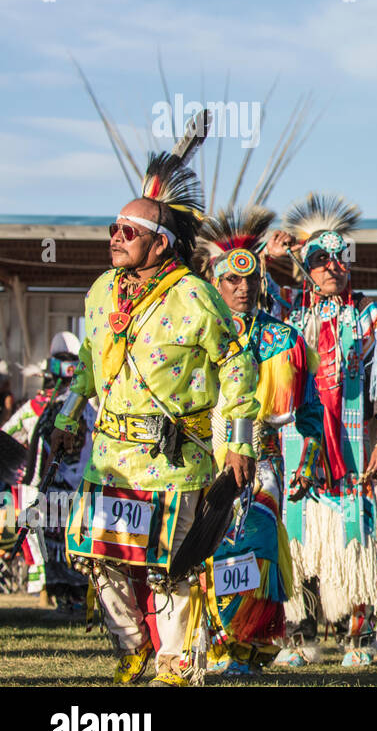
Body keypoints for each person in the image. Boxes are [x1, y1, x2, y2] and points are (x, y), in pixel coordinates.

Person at [49, 144, 260, 686]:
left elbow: (237, 362)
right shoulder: (101, 293)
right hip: (111, 454)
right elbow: (89, 368)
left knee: (171, 567)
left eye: (129, 231)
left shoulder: (193, 296)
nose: (115, 238)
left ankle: (175, 662)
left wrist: (238, 441)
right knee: (101, 558)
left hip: (173, 454)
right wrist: (70, 420)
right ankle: (135, 647)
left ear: (160, 243)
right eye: (114, 229)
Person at [264, 195, 377, 667]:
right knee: (300, 543)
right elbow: (241, 292)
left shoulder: (370, 318)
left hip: (351, 450)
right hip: (298, 448)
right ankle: (298, 639)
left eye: (338, 260)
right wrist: (266, 257)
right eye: (319, 261)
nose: (331, 268)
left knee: (355, 540)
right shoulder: (288, 312)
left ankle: (359, 640)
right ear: (305, 267)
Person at [194, 206, 324, 676]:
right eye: (232, 281)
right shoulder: (201, 334)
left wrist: (311, 455)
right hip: (206, 457)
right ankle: (210, 642)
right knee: (208, 547)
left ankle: (248, 644)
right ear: (216, 281)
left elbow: (310, 410)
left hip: (264, 461)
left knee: (255, 544)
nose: (243, 289)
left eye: (249, 281)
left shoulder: (283, 338)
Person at [2, 335, 94, 610]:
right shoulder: (37, 409)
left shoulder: (86, 408)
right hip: (46, 485)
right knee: (46, 541)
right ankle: (53, 594)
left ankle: (73, 597)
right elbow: (8, 436)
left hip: (74, 486)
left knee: (70, 540)